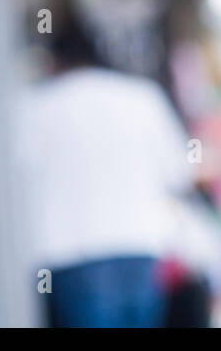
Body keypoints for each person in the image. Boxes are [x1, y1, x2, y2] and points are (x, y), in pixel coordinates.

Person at [13, 17, 196, 327]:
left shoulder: (33, 107)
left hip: (69, 256)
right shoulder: (141, 97)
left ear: (54, 62)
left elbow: (14, 184)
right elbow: (180, 173)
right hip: (140, 246)